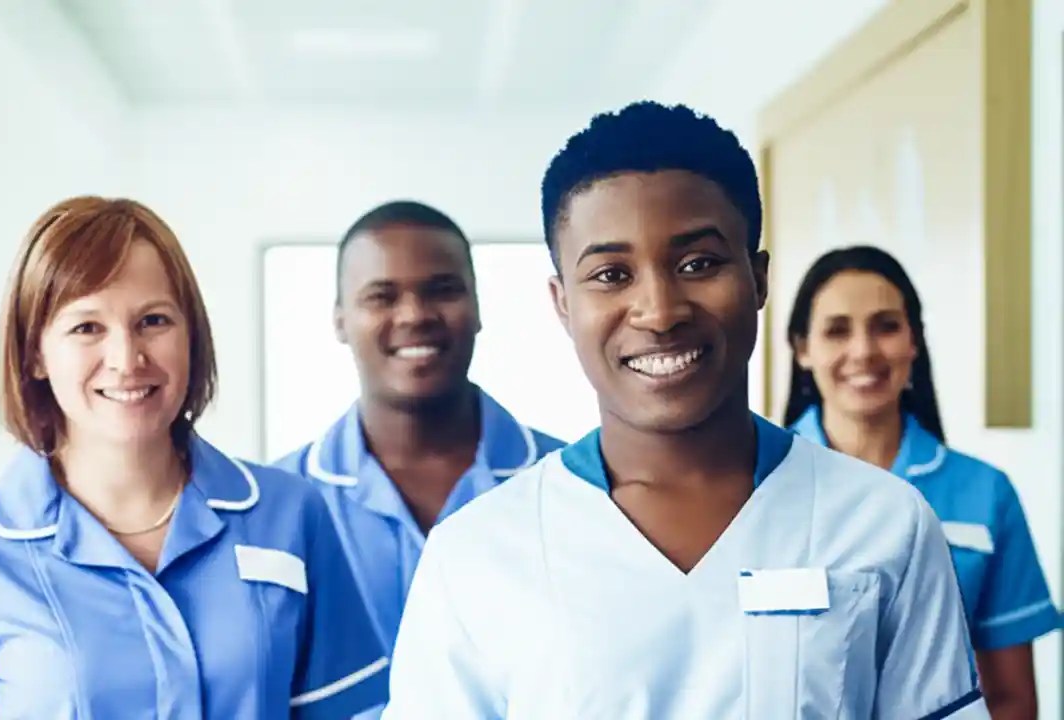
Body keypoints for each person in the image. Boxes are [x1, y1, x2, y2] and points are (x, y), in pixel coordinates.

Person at [381, 102, 988, 718]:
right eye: (612, 274)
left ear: (758, 279)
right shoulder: (477, 552)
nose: (659, 310)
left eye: (698, 264)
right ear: (563, 304)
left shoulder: (882, 523)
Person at [0, 197, 388, 720]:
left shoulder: (290, 516)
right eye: (86, 327)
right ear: (35, 354)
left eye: (154, 321)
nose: (126, 359)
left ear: (192, 336)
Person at [274, 200, 564, 656]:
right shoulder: (281, 504)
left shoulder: (573, 483)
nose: (414, 315)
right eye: (381, 296)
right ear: (340, 320)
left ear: (477, 307)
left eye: (442, 289)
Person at [783, 245, 1060, 719]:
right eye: (837, 330)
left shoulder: (986, 495)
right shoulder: (753, 485)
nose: (863, 350)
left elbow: (1012, 699)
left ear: (914, 341)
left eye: (886, 326)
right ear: (803, 348)